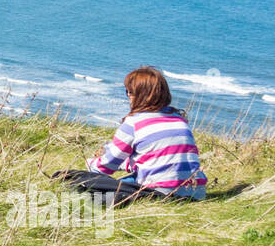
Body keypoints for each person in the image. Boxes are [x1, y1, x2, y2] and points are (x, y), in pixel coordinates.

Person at [85, 66, 208, 200]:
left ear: (140, 95)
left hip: (161, 192)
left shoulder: (133, 123)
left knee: (91, 186)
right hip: (197, 192)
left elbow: (105, 167)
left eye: (130, 91)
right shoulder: (180, 120)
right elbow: (155, 158)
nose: (127, 95)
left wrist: (91, 163)